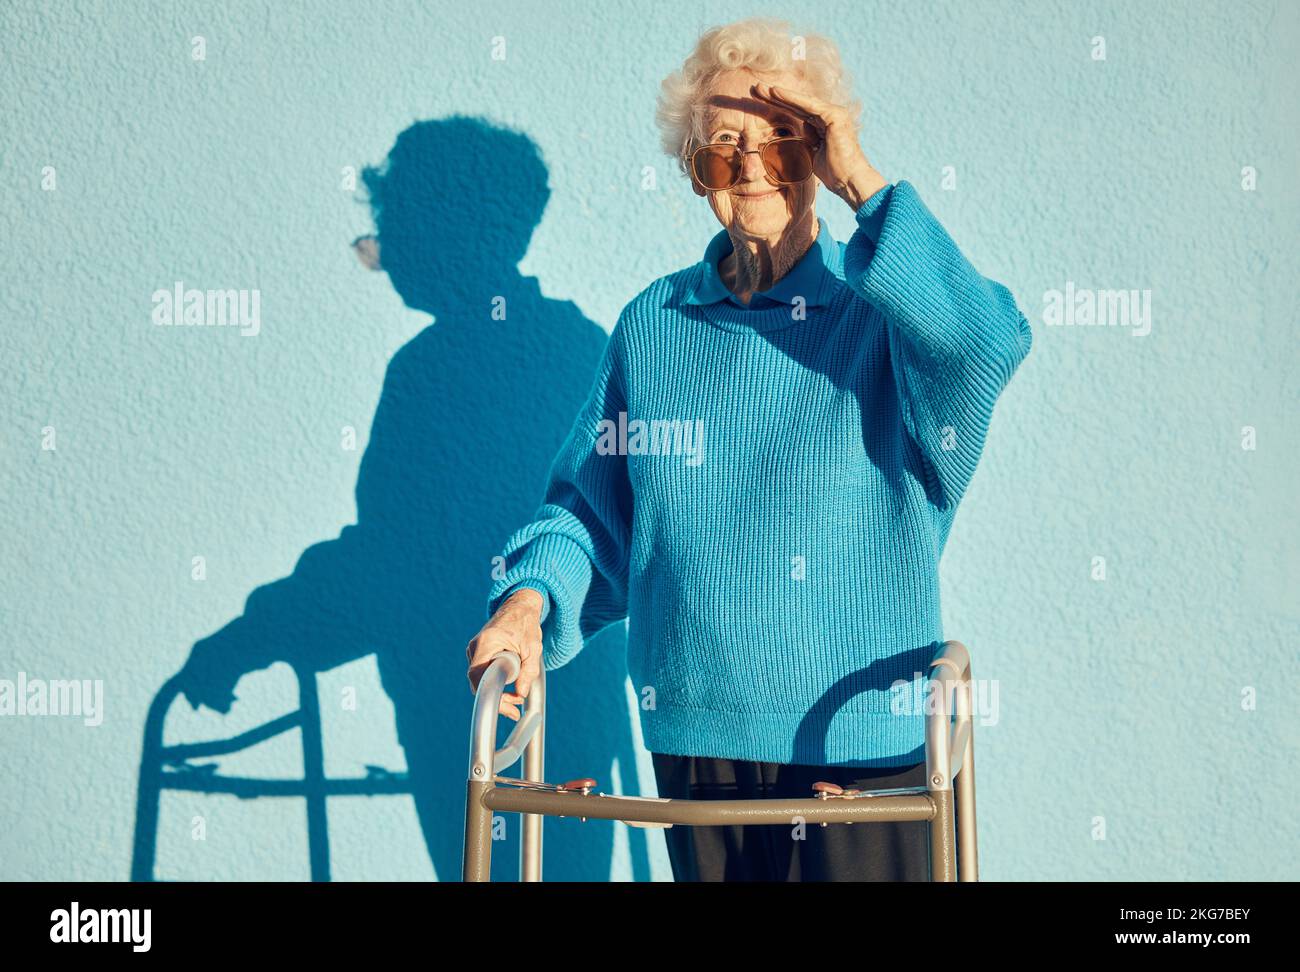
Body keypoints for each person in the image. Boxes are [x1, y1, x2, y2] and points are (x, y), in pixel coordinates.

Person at [465, 16, 1032, 882]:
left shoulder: (884, 311)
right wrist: (528, 601)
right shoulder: (655, 325)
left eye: (789, 144)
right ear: (698, 174)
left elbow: (983, 343)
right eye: (727, 151)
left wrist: (862, 181)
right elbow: (588, 509)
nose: (757, 170)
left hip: (861, 747)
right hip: (699, 741)